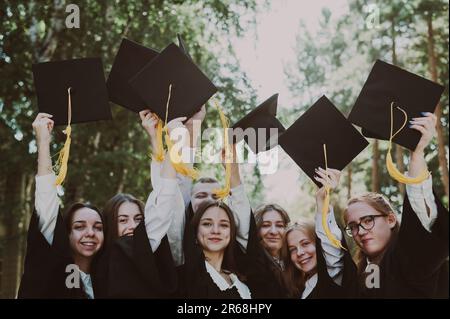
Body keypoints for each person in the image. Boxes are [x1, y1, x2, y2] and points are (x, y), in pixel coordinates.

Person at [343, 112, 449, 298]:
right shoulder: (367, 271)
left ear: (391, 219)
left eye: (367, 220)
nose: (360, 231)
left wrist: (416, 155)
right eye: (352, 226)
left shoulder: (409, 256)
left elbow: (420, 215)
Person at [18, 113, 105, 299]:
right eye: (79, 226)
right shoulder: (56, 275)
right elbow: (47, 202)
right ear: (65, 234)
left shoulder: (108, 280)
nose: (90, 232)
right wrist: (43, 142)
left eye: (98, 227)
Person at [283, 168, 357, 299]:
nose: (299, 252)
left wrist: (322, 201)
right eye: (292, 249)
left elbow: (331, 250)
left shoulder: (333, 276)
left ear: (319, 243)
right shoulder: (298, 289)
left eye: (305, 243)